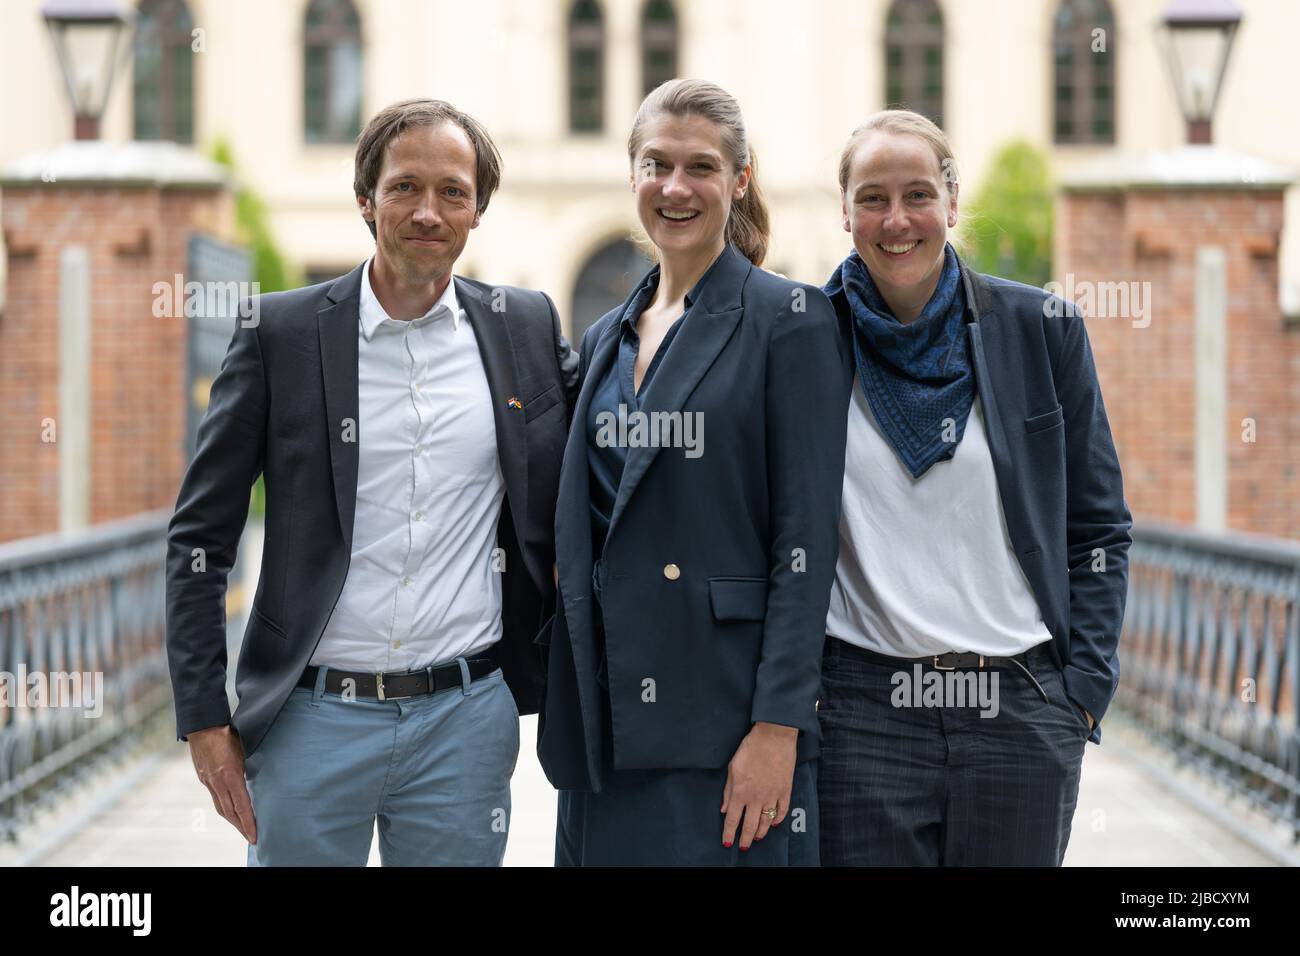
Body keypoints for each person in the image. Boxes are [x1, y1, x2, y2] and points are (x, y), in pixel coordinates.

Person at [165, 98, 578, 866]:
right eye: (405, 187)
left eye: (453, 191)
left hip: (466, 721)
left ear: (478, 211)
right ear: (366, 199)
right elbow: (199, 537)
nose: (429, 210)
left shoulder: (524, 327)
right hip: (309, 720)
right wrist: (202, 717)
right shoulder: (280, 334)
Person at [536, 78, 849, 866]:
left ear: (739, 180)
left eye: (701, 167)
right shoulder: (607, 331)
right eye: (656, 164)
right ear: (632, 172)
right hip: (604, 726)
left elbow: (806, 543)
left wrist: (778, 728)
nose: (676, 187)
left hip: (723, 727)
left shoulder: (791, 321)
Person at [817, 109, 1131, 866]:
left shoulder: (1041, 329)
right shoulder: (807, 337)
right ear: (846, 211)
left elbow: (1098, 527)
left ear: (952, 205)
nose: (897, 220)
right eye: (872, 198)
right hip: (863, 717)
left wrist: (1080, 693)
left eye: (918, 194)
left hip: (1018, 709)